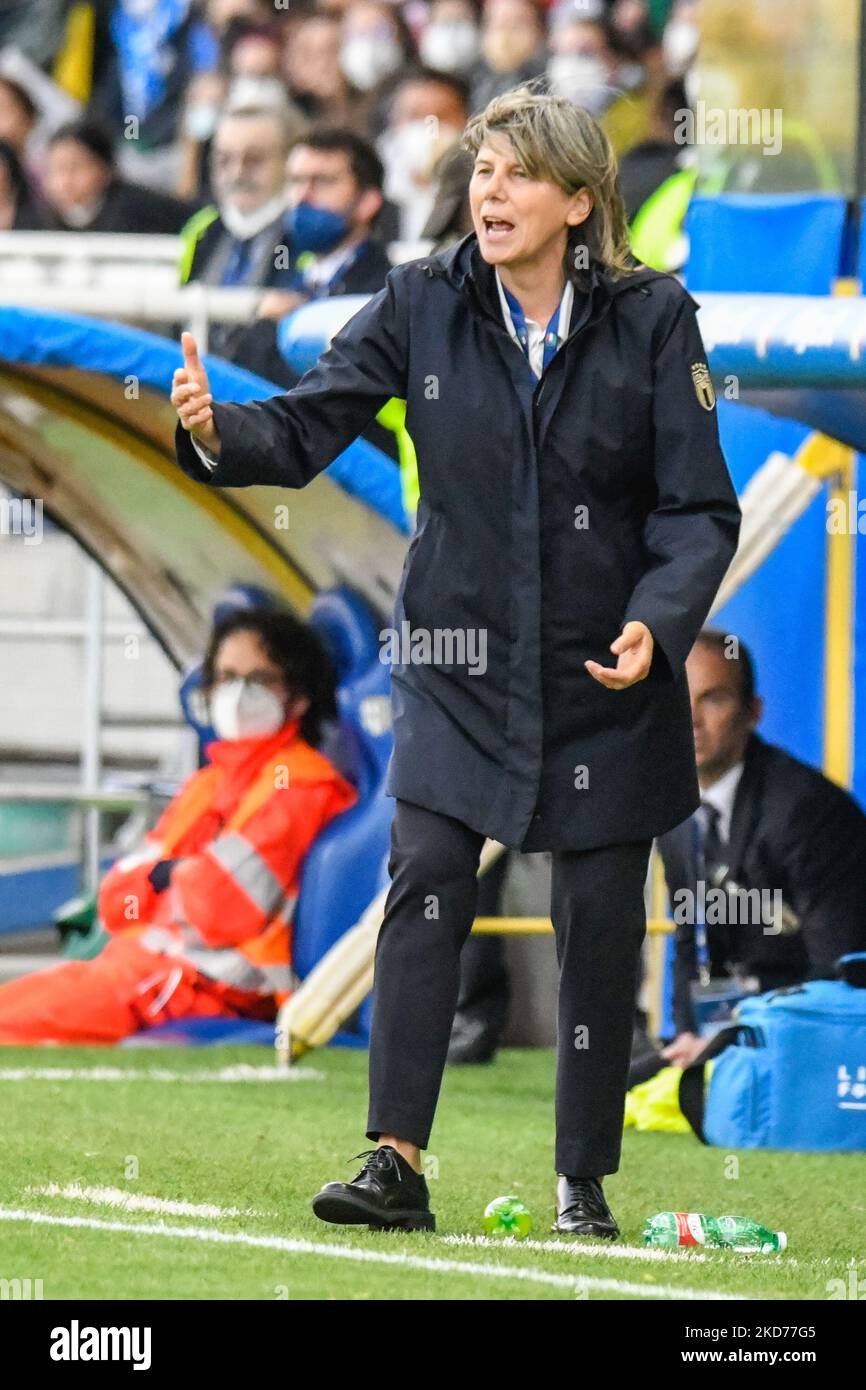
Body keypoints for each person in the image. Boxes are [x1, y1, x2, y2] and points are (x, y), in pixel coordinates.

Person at [171, 84, 741, 1238]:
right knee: (426, 876)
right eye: (482, 170)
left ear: (577, 200)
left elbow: (697, 511)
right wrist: (218, 430)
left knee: (594, 916)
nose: (491, 191)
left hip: (604, 669)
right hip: (458, 661)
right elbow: (309, 422)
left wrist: (657, 619)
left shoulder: (653, 318)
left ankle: (581, 1181)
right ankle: (394, 1161)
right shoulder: (419, 302)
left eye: (519, 173)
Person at [0, 608, 357, 1046]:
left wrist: (163, 875)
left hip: (208, 988)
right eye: (226, 677)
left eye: (260, 679)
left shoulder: (302, 784)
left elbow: (221, 907)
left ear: (298, 698)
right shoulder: (209, 782)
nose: (239, 693)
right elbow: (115, 899)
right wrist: (169, 874)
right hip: (139, 971)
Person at [658, 629, 866, 1069]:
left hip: (815, 1037)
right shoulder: (669, 809)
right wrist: (688, 1036)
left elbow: (840, 965)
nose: (691, 717)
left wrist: (729, 1043)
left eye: (713, 699)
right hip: (733, 1029)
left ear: (752, 712)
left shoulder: (806, 810)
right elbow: (687, 934)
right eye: (678, 698)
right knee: (614, 1086)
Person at [42, 120, 192, 233]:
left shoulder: (135, 211)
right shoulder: (45, 218)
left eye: (75, 168)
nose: (64, 182)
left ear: (106, 169)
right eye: (55, 170)